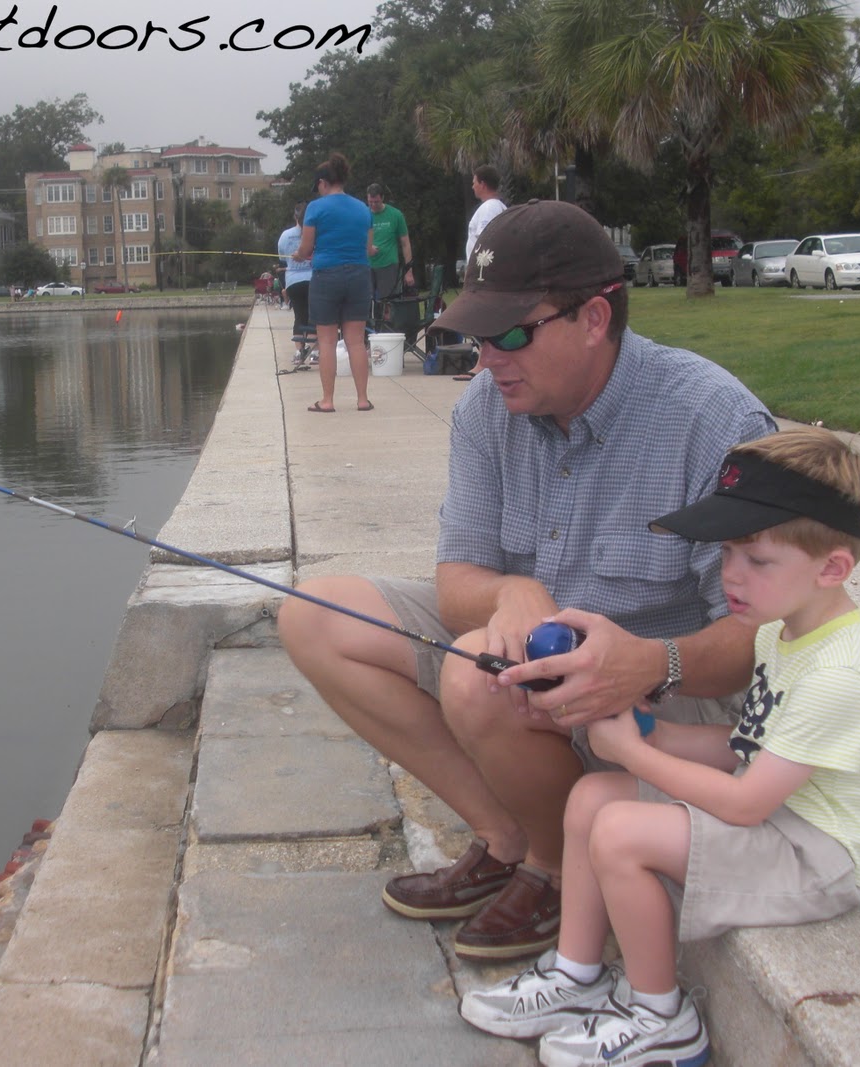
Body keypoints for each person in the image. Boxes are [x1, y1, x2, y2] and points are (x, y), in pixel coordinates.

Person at [277, 200, 776, 961]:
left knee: (478, 674)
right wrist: (514, 593)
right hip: (534, 675)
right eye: (477, 334)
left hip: (663, 699)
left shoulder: (711, 420)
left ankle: (557, 872)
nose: (488, 357)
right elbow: (456, 579)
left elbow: (767, 638)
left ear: (595, 318)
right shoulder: (487, 407)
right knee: (315, 614)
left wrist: (649, 661)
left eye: (511, 333)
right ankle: (510, 838)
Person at [462, 426, 860, 1067]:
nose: (732, 575)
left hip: (817, 855)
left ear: (833, 567)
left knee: (620, 830)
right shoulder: (780, 633)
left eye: (758, 561)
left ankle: (662, 1018)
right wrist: (648, 728)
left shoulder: (841, 674)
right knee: (593, 795)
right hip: (783, 814)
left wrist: (635, 754)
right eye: (728, 552)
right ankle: (576, 973)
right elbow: (745, 744)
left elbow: (748, 801)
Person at [295, 153, 374, 413]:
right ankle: (362, 399)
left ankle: (327, 400)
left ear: (322, 183)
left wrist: (298, 254)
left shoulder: (316, 208)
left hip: (327, 275)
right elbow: (367, 247)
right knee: (356, 340)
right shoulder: (363, 208)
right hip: (360, 275)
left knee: (327, 340)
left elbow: (306, 249)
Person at [277, 203, 315, 366]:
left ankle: (299, 352)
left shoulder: (285, 235)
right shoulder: (315, 234)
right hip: (314, 280)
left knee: (299, 315)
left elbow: (282, 259)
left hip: (293, 281)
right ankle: (315, 353)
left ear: (295, 217)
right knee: (315, 316)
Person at [365, 183, 414, 303]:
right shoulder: (363, 215)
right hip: (366, 265)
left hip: (388, 265)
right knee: (366, 302)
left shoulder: (395, 215)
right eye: (370, 202)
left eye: (376, 202)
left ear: (382, 198)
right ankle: (371, 321)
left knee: (389, 302)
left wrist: (409, 271)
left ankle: (388, 321)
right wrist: (368, 248)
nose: (373, 205)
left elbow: (405, 243)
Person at [466, 165, 507, 263]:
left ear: (482, 184)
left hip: (482, 270)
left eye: (474, 183)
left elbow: (485, 239)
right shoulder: (500, 206)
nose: (472, 187)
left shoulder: (489, 208)